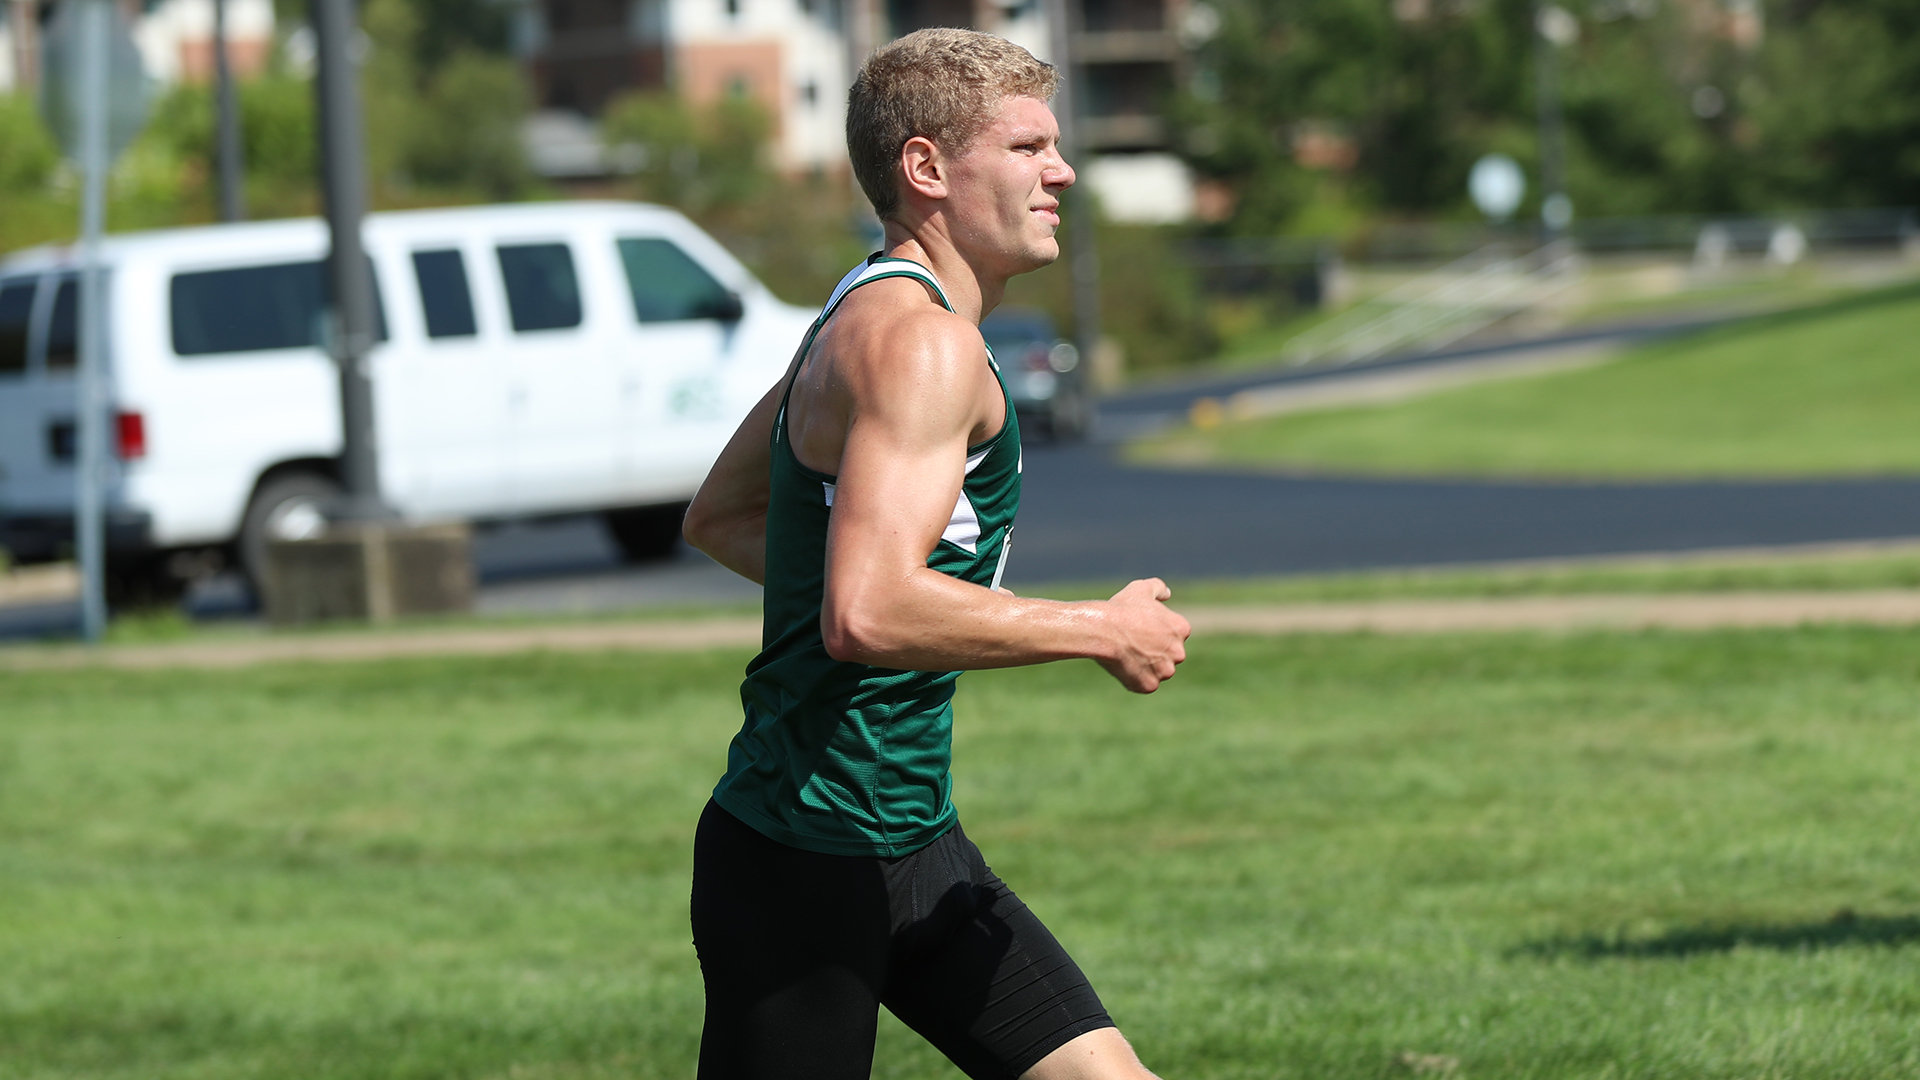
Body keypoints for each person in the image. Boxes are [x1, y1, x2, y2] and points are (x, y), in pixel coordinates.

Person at [681, 27, 1192, 1080]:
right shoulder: (922, 344)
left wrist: (909, 601)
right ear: (926, 168)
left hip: (913, 840)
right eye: (1027, 148)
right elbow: (866, 610)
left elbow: (724, 517)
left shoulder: (862, 308)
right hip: (806, 863)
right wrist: (1099, 629)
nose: (1062, 171)